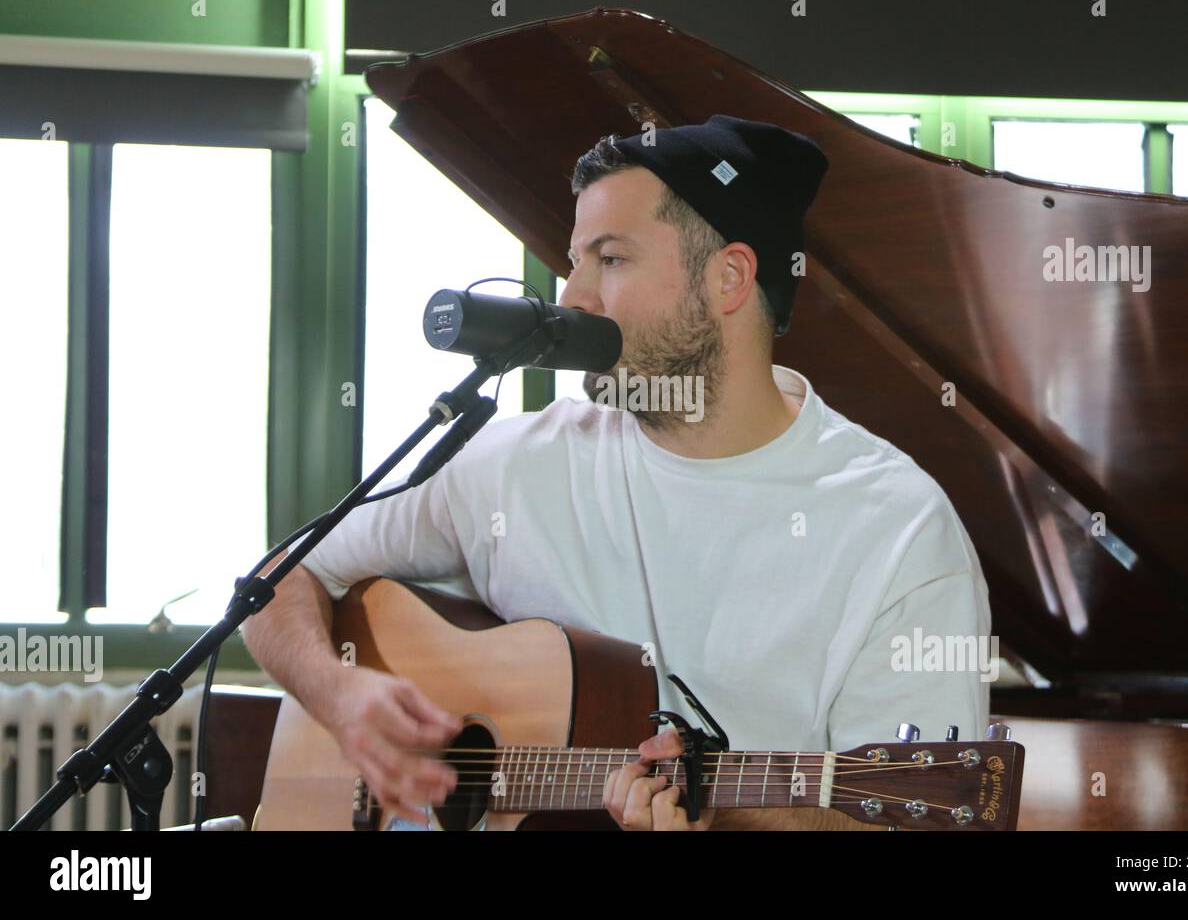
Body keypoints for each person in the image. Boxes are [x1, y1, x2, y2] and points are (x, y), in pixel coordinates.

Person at [242, 114, 991, 831]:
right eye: (575, 263)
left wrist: (730, 810)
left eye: (611, 258)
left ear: (727, 279)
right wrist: (338, 694)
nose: (572, 298)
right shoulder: (516, 464)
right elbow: (279, 579)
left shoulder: (897, 530)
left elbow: (906, 820)